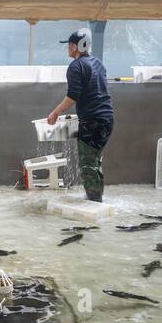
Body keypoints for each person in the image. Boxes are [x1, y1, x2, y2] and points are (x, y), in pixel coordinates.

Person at [46, 28, 114, 202]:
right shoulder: (98, 63)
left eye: (70, 45)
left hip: (92, 122)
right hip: (107, 120)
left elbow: (72, 97)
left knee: (88, 165)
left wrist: (55, 113)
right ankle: (97, 199)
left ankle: (93, 203)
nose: (68, 48)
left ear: (77, 46)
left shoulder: (76, 66)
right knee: (95, 162)